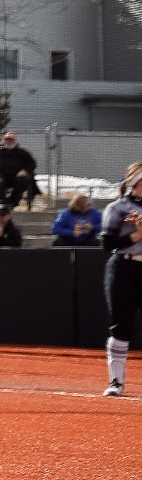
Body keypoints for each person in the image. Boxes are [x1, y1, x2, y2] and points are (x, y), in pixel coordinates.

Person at [102, 164, 142, 398]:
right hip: (124, 266)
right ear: (135, 183)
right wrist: (136, 235)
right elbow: (107, 244)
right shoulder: (118, 207)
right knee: (121, 325)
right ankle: (116, 381)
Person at [0, 130, 39, 210]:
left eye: (11, 139)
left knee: (24, 180)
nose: (9, 141)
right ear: (4, 140)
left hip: (16, 177)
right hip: (1, 176)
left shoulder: (23, 153)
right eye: (7, 139)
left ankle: (12, 202)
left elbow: (32, 164)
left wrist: (25, 170)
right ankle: (1, 202)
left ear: (15, 140)